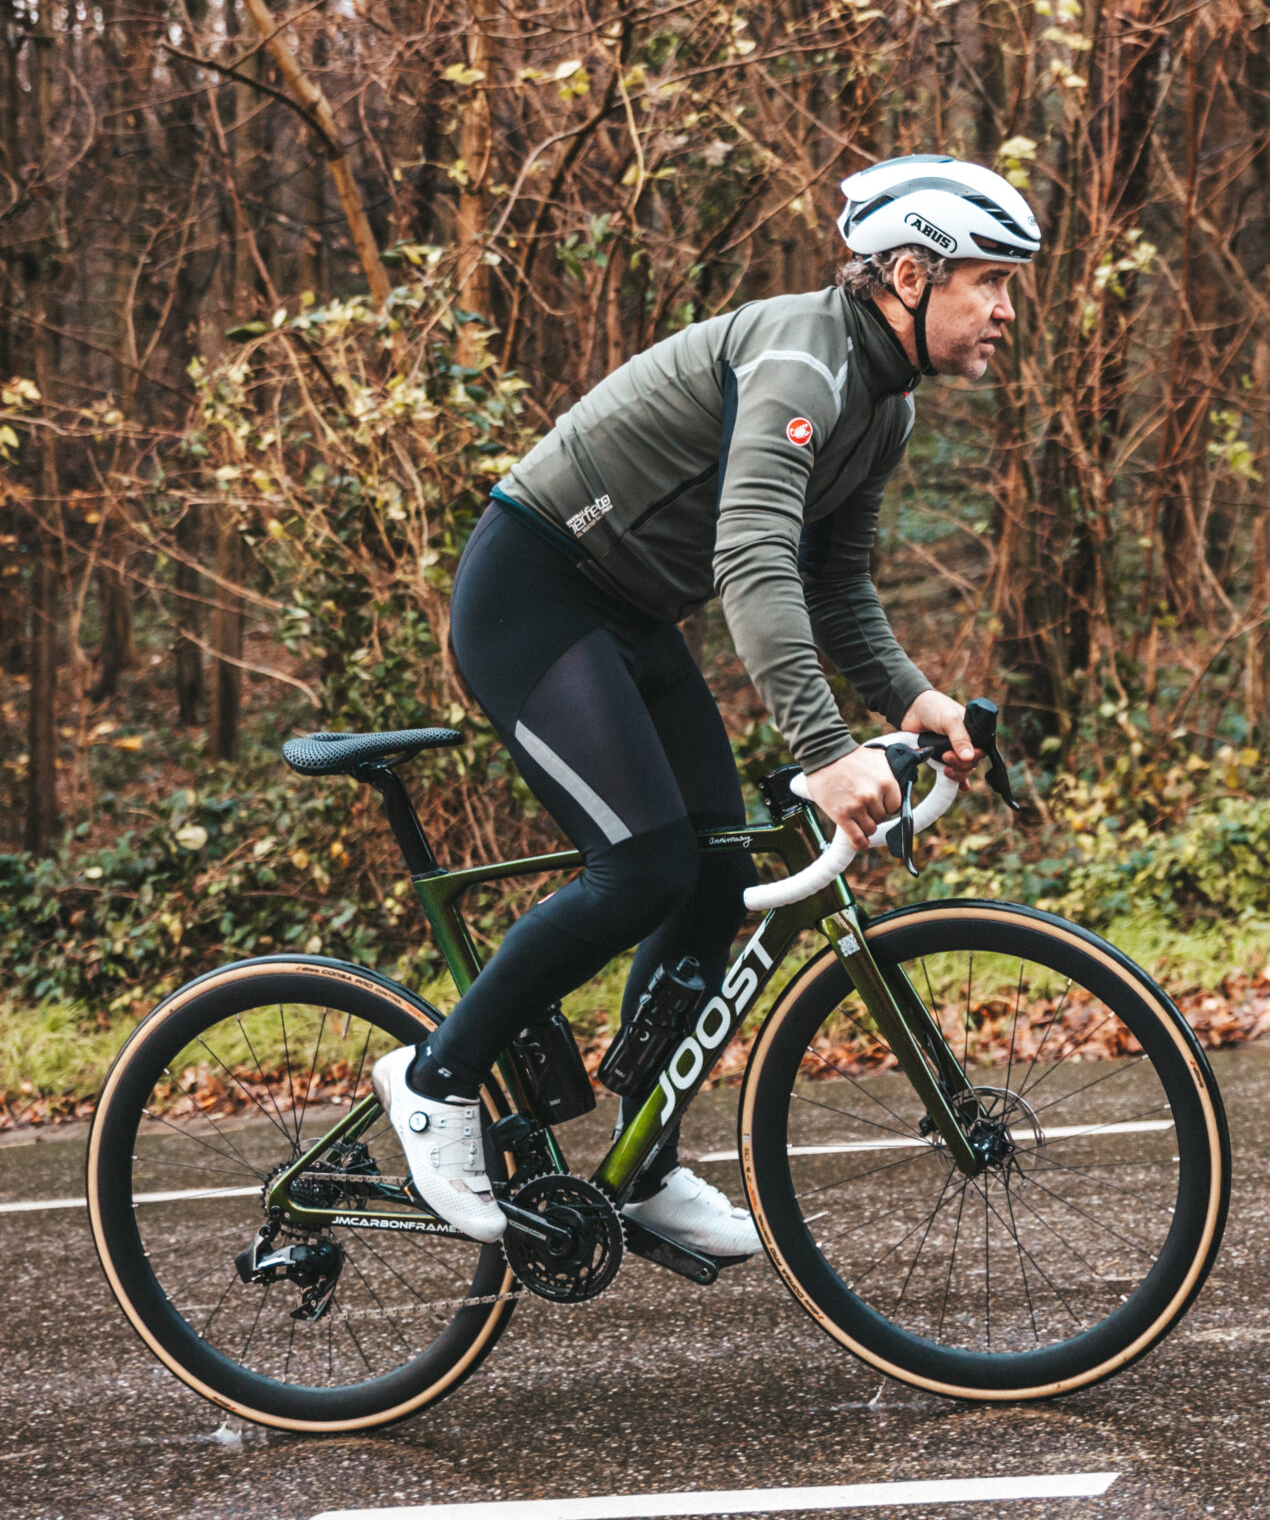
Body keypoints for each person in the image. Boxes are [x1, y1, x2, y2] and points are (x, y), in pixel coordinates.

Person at [371, 155, 1041, 1252]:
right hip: (534, 593)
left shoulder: (884, 406)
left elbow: (834, 584)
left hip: (629, 614)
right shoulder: (799, 362)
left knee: (719, 869)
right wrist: (825, 749)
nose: (1007, 308)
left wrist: (914, 701)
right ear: (910, 275)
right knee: (639, 867)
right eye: (989, 281)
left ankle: (644, 1167)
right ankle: (435, 1076)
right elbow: (754, 559)